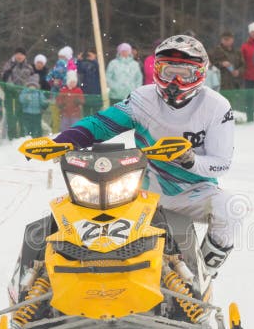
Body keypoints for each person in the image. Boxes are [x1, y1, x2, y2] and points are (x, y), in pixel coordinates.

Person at [53, 34, 242, 280]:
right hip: (143, 190)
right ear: (156, 70)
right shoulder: (143, 98)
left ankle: (203, 274)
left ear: (199, 74)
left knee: (231, 209)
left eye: (184, 74)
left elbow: (221, 163)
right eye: (166, 72)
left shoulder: (217, 107)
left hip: (194, 190)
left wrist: (191, 160)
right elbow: (102, 123)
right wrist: (68, 138)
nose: (174, 81)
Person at [2, 47, 34, 139]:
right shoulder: (9, 64)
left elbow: (32, 80)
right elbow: (4, 76)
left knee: (22, 115)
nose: (19, 56)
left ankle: (22, 135)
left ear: (25, 56)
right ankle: (11, 136)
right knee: (11, 115)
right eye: (18, 54)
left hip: (24, 94)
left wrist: (28, 89)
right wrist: (9, 84)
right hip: (11, 93)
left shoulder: (29, 67)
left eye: (22, 54)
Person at [77, 48, 101, 116]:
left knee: (96, 114)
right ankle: (86, 126)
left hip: (96, 92)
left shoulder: (99, 62)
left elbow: (100, 72)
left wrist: (94, 61)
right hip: (86, 91)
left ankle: (95, 125)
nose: (89, 56)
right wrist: (79, 60)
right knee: (86, 113)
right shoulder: (85, 63)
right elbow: (79, 70)